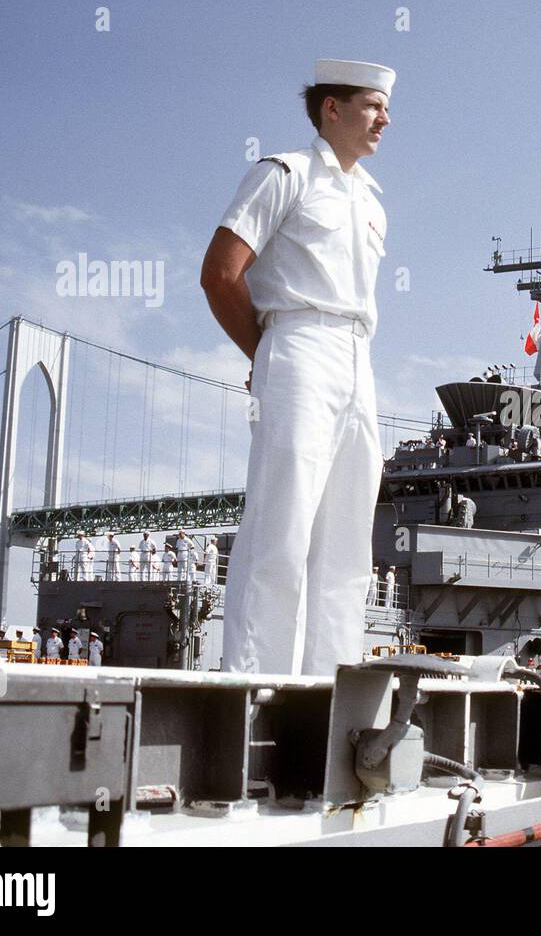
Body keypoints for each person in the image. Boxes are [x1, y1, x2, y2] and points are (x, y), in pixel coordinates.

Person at [205, 58, 395, 676]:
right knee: (280, 524)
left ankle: (329, 691)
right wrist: (265, 358)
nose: (385, 119)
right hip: (297, 342)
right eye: (372, 105)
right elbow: (220, 273)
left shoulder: (372, 201)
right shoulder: (283, 173)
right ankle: (258, 689)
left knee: (346, 542)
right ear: (330, 108)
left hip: (359, 356)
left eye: (385, 108)